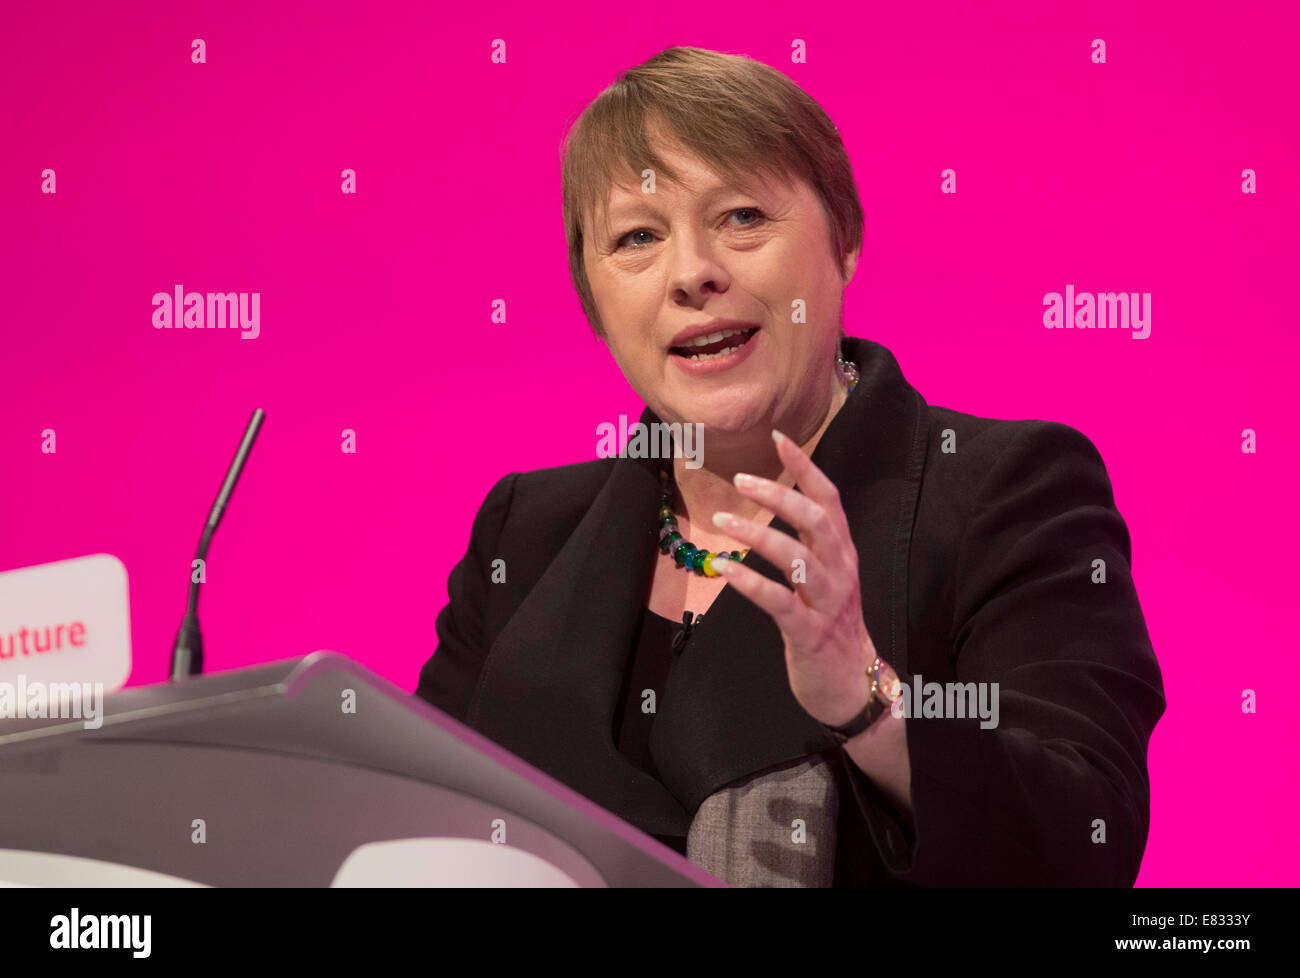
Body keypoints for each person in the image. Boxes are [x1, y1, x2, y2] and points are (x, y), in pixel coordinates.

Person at [414, 46, 1165, 887]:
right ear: (591, 299)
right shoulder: (527, 531)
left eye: (741, 218)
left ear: (844, 240)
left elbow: (1084, 840)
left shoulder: (1007, 491)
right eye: (637, 237)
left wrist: (866, 702)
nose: (693, 273)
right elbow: (414, 825)